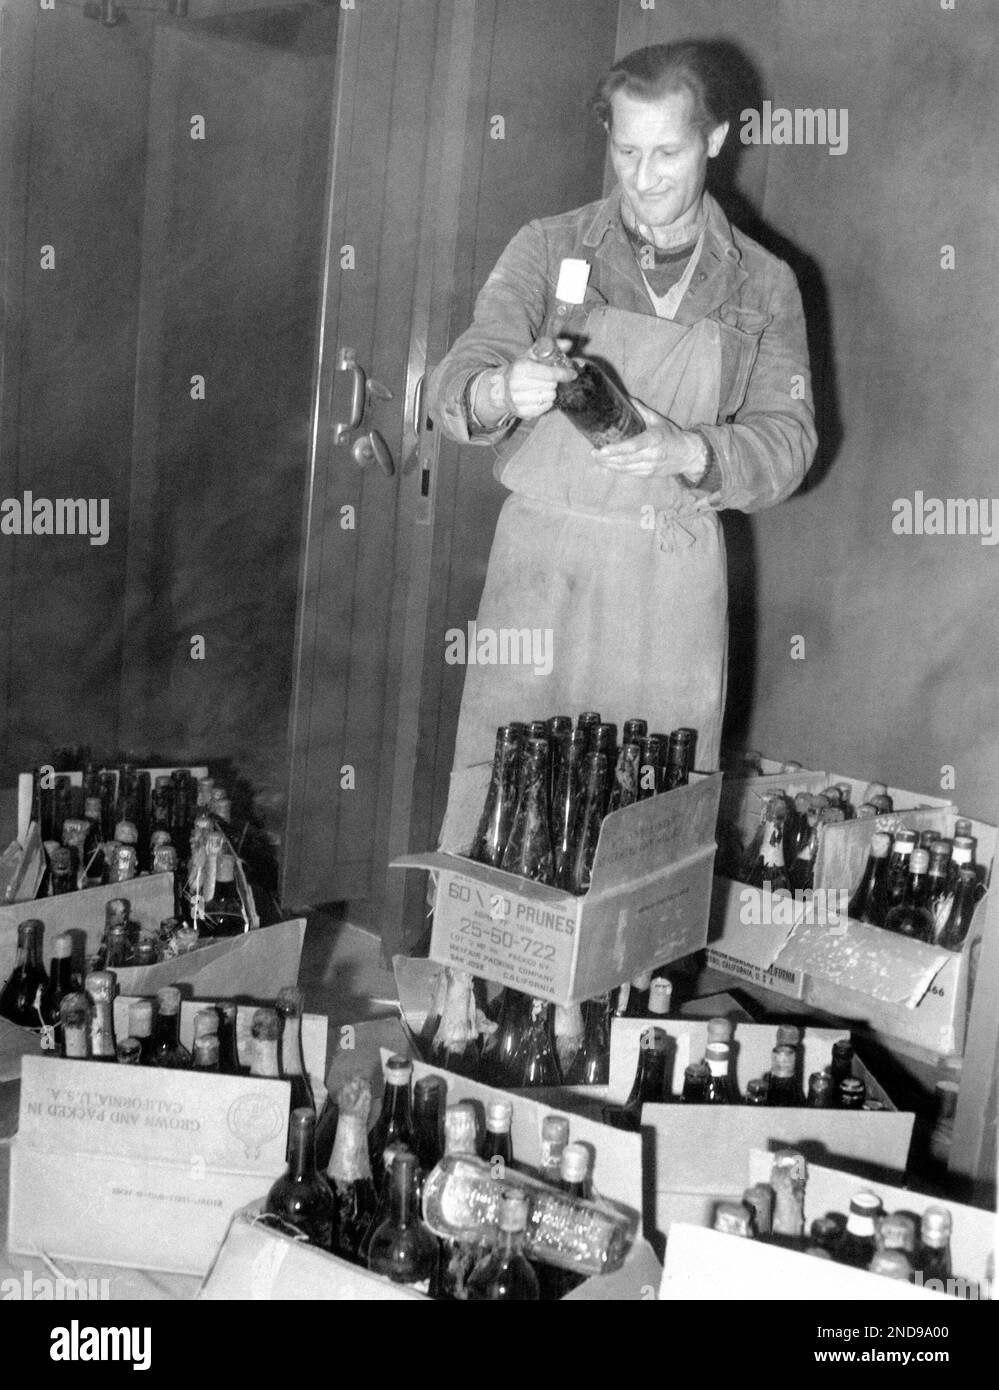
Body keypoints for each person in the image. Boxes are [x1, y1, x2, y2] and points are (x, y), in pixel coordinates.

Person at [428, 42, 817, 779]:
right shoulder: (548, 247)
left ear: (712, 141)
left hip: (668, 580)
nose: (642, 179)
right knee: (513, 800)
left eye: (666, 153)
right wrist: (498, 390)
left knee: (649, 815)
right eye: (625, 150)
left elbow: (788, 443)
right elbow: (454, 385)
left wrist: (692, 453)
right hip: (543, 572)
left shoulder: (764, 285)